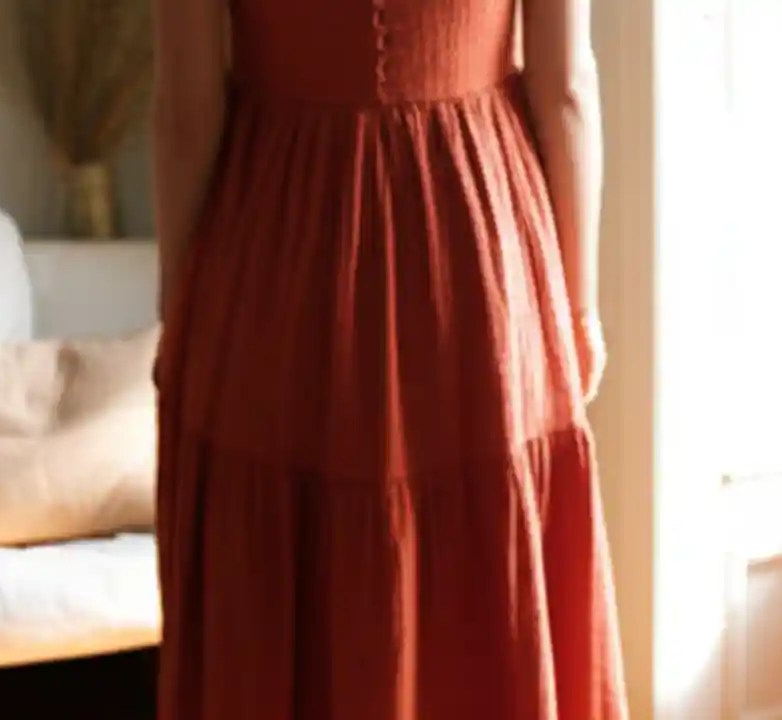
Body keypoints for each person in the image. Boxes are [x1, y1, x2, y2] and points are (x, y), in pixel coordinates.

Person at [151, 0, 627, 717]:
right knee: (477, 576)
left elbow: (188, 111)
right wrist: (578, 307)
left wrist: (177, 306)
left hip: (275, 258)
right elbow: (566, 89)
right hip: (474, 255)